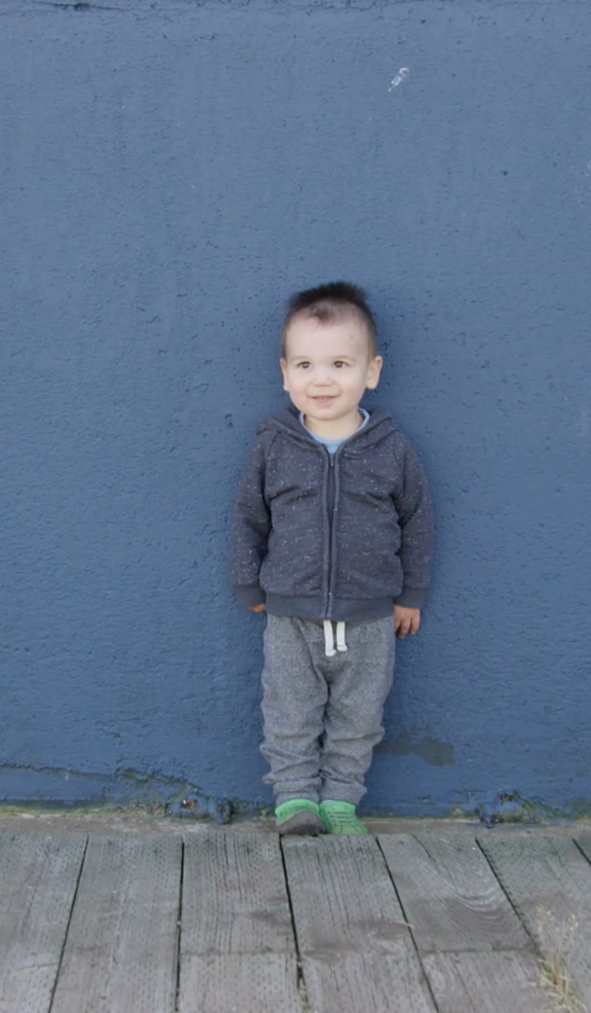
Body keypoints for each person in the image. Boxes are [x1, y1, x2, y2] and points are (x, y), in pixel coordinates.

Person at [229, 281, 434, 836]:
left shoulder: (391, 448)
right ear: (285, 372)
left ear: (371, 371)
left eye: (340, 363)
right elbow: (249, 517)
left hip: (370, 617)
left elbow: (417, 521)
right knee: (289, 712)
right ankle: (295, 801)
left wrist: (410, 594)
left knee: (358, 716)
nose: (322, 380)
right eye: (306, 364)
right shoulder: (274, 445)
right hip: (291, 615)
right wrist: (250, 585)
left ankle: (341, 800)